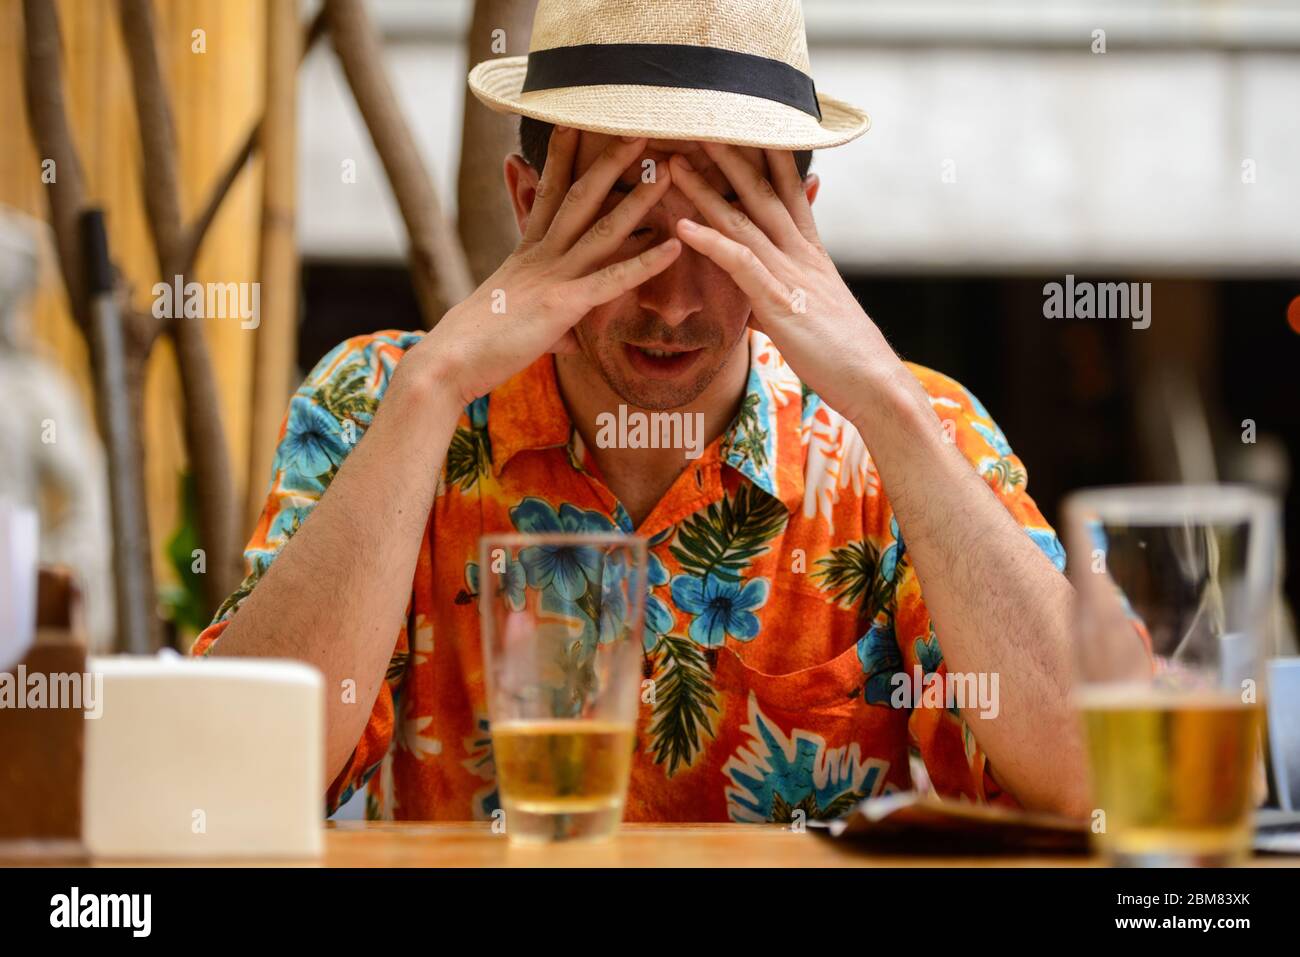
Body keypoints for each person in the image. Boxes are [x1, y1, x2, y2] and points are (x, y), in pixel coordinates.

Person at [194, 0, 1087, 823]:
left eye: (723, 229)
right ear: (528, 206)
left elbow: (1090, 777)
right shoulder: (379, 402)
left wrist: (887, 403)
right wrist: (431, 388)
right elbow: (227, 781)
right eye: (626, 224)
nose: (671, 302)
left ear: (801, 230)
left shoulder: (914, 432)